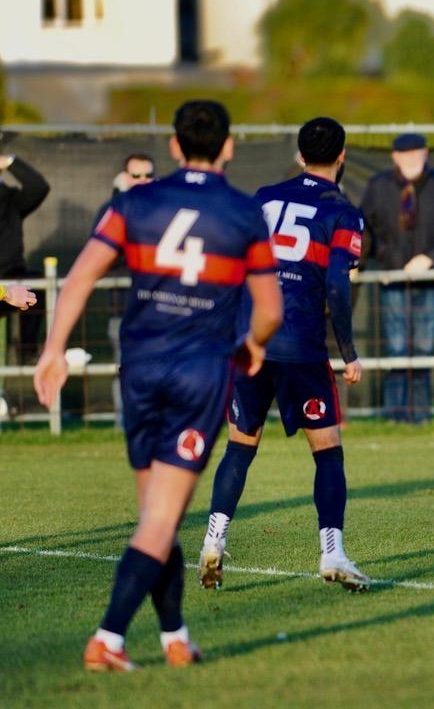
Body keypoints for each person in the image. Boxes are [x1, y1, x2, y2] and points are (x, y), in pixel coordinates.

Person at [32, 100, 282, 672]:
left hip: (140, 367)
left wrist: (52, 350)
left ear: (173, 145)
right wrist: (250, 344)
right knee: (162, 516)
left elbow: (80, 276)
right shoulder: (243, 215)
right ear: (229, 146)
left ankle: (174, 635)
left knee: (155, 512)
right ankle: (109, 639)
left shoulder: (134, 200)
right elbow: (269, 309)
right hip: (199, 373)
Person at [198, 117, 370, 593]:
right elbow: (337, 283)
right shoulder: (342, 211)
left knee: (240, 445)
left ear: (299, 155)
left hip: (251, 339)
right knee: (327, 452)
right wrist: (348, 351)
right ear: (342, 155)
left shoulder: (264, 197)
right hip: (300, 343)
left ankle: (213, 540)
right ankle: (332, 552)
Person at [360, 132, 434, 422]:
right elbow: (364, 230)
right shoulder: (378, 186)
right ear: (395, 156)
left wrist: (430, 259)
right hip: (392, 279)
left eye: (417, 153)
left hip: (430, 281)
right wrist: (391, 263)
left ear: (426, 153)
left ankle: (420, 415)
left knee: (423, 348)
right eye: (406, 155)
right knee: (396, 348)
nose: (412, 160)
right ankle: (395, 415)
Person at [92, 152, 157, 428]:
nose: (142, 181)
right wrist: (120, 200)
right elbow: (103, 253)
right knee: (125, 369)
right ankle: (125, 426)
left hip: (162, 307)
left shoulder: (165, 208)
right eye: (135, 175)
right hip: (124, 307)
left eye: (147, 175)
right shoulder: (113, 209)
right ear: (123, 178)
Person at [0, 150, 50, 410]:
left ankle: (27, 351)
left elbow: (38, 187)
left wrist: (9, 162)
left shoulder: (10, 201)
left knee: (37, 286)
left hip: (12, 280)